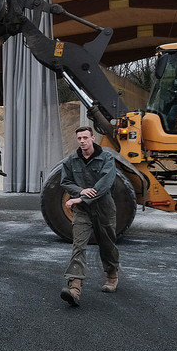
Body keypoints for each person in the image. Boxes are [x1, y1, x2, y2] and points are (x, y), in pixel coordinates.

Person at [57, 126, 121, 306]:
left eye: (85, 137)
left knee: (107, 243)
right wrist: (80, 191)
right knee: (78, 246)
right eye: (79, 138)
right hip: (82, 211)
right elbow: (65, 181)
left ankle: (111, 275)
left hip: (104, 208)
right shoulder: (71, 161)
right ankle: (74, 288)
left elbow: (106, 182)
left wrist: (80, 198)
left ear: (93, 138)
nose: (82, 141)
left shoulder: (106, 158)